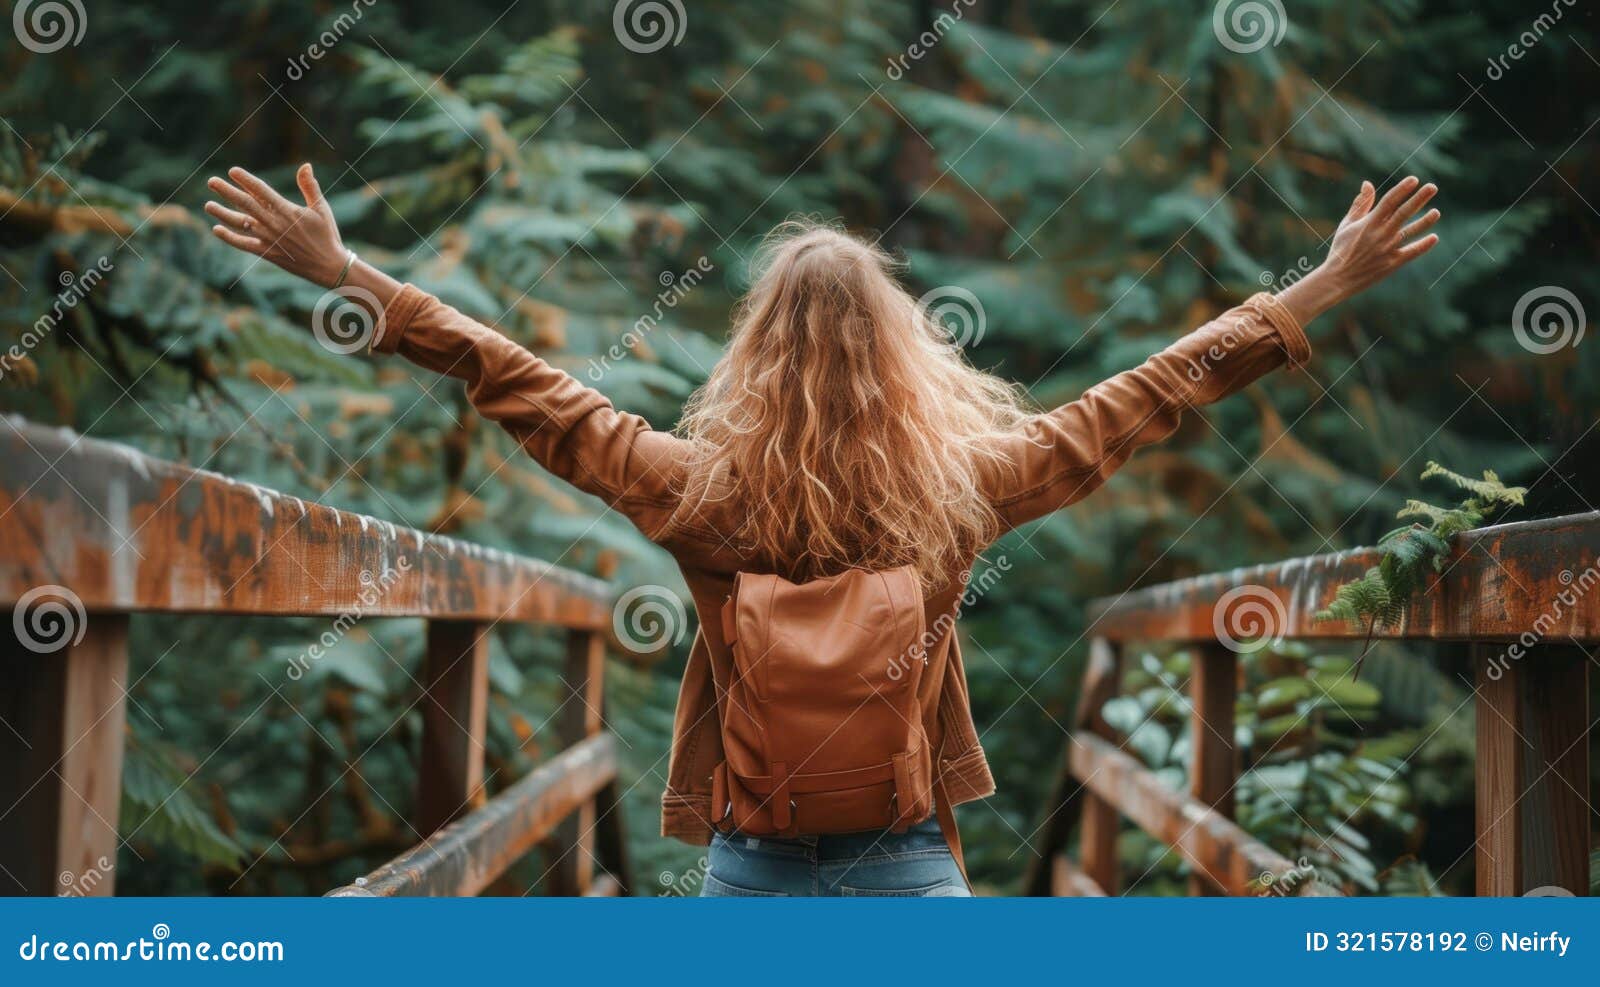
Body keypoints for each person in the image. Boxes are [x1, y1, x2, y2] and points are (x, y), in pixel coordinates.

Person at [206, 164, 1440, 896]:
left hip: (749, 866)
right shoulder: (963, 488)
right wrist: (1318, 285)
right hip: (907, 863)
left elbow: (527, 389)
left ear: (752, 353)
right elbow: (1142, 399)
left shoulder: (696, 493)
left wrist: (355, 278)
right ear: (903, 356)